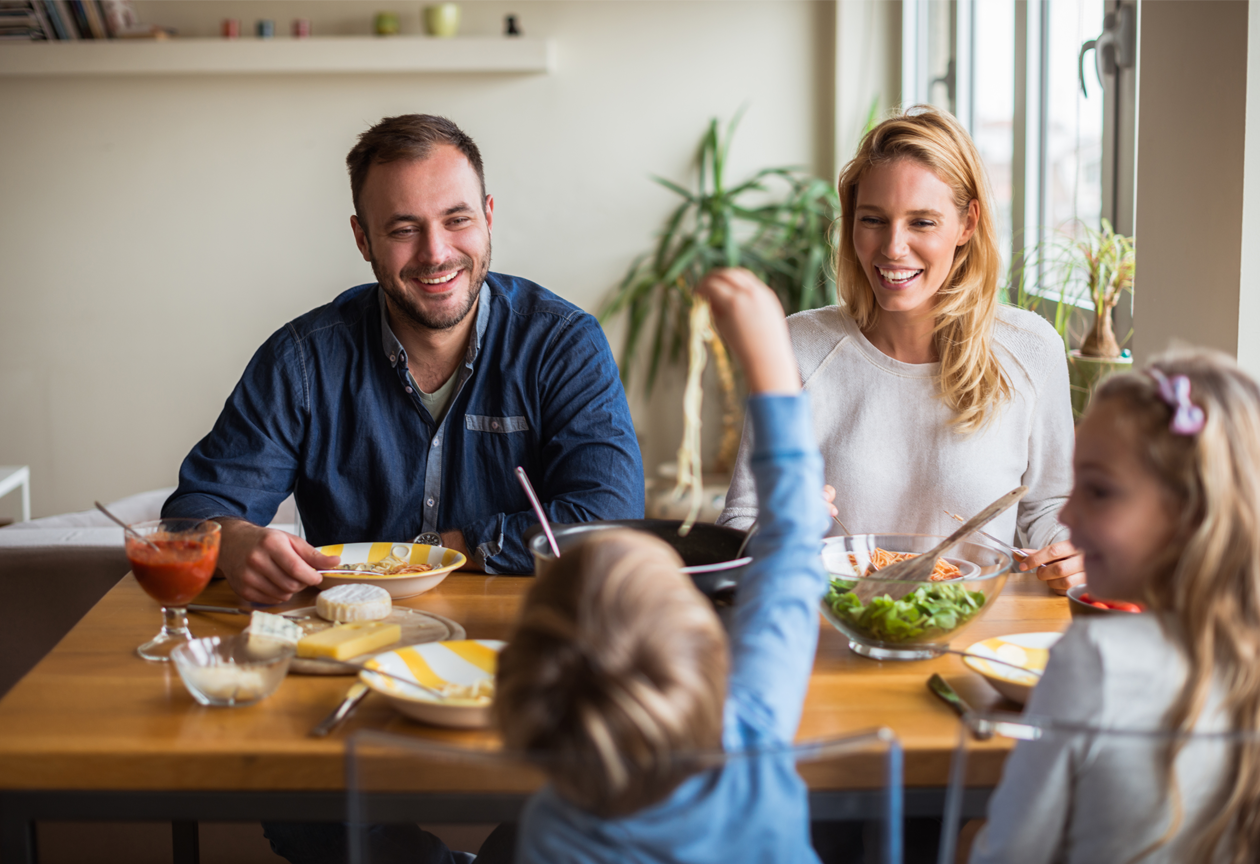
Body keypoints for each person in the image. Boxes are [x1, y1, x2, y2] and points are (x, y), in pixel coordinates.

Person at [162, 114, 644, 600]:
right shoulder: (302, 361)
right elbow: (194, 512)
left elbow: (610, 516)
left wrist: (443, 550)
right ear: (362, 238)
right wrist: (236, 541)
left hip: (521, 643)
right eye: (403, 229)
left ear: (489, 216)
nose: (435, 254)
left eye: (457, 220)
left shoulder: (563, 344)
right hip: (344, 645)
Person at [494, 268, 831, 862]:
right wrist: (771, 360)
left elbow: (792, 544)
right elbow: (796, 543)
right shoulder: (751, 744)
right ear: (712, 657)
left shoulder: (549, 832)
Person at [717, 106, 1083, 593]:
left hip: (975, 628)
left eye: (922, 222)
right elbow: (740, 523)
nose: (892, 247)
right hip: (833, 629)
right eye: (873, 219)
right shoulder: (798, 346)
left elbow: (1047, 508)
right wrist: (780, 527)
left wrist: (1073, 552)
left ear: (967, 224)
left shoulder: (1031, 349)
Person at [971, 348, 1260, 862]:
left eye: (1099, 491)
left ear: (1191, 512)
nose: (1068, 512)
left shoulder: (1094, 659)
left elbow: (1010, 853)